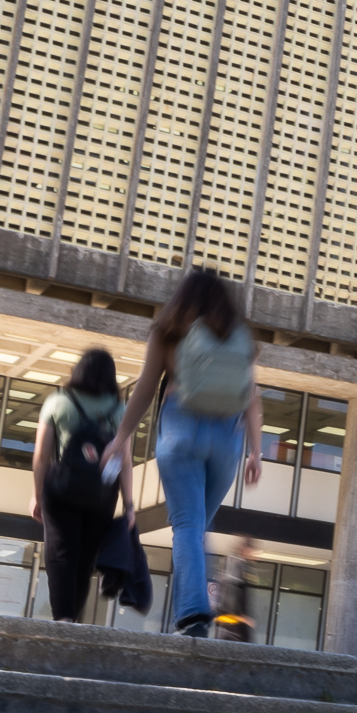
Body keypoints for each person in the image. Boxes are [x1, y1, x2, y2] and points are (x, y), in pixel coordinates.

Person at [101, 268, 261, 637]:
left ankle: (193, 614)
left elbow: (144, 389)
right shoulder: (237, 335)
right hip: (227, 436)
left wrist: (122, 436)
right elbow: (252, 395)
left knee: (188, 525)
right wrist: (256, 451)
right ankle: (195, 609)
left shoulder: (169, 330)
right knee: (197, 525)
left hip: (181, 426)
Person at [30, 348, 134, 622]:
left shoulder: (58, 401)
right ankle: (73, 619)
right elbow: (125, 461)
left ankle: (63, 618)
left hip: (61, 487)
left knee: (61, 553)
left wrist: (37, 494)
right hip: (101, 493)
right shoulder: (121, 410)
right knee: (85, 559)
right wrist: (129, 505)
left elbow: (42, 455)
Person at [212, 536, 258, 642]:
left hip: (234, 623)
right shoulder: (236, 566)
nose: (254, 554)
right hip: (235, 625)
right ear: (245, 549)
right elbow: (230, 593)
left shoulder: (238, 565)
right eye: (252, 550)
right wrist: (241, 617)